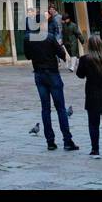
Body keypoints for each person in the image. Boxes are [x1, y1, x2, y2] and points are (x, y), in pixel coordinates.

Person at [24, 23, 79, 151]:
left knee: (45, 109)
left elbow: (27, 56)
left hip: (39, 74)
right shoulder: (49, 37)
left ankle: (50, 141)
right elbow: (61, 54)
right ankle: (67, 140)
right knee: (60, 108)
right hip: (52, 74)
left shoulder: (27, 39)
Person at [75, 33, 102, 159]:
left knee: (93, 123)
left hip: (92, 93)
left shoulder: (85, 59)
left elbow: (80, 75)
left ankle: (95, 150)